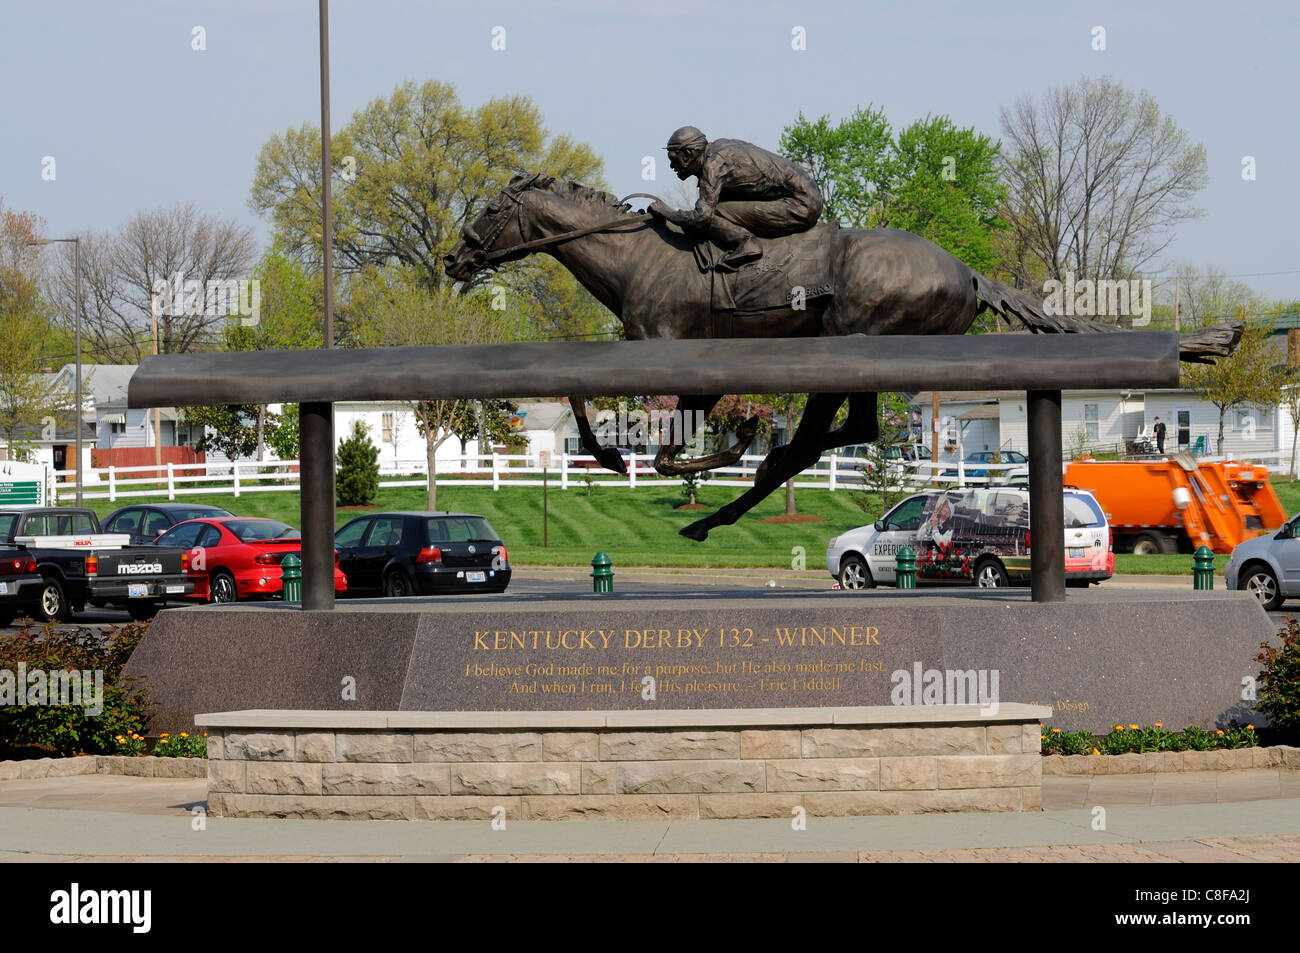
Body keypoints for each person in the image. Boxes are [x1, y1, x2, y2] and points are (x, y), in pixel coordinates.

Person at [648, 126, 823, 269]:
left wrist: (668, 213)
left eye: (673, 158)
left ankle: (747, 245)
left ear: (687, 154)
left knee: (715, 213)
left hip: (800, 204)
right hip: (805, 197)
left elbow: (703, 216)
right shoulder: (719, 148)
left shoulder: (713, 165)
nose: (671, 165)